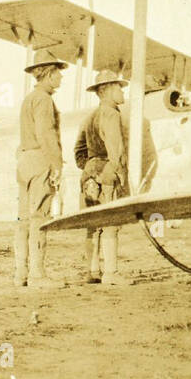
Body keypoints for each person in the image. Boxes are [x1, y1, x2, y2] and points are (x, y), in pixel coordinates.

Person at [15, 50, 66, 288]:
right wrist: (56, 164)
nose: (60, 78)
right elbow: (46, 134)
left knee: (23, 219)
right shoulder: (44, 100)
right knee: (40, 218)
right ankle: (37, 275)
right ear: (47, 74)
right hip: (40, 159)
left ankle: (21, 273)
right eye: (57, 73)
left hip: (25, 160)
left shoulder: (30, 98)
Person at [75, 69, 130, 286]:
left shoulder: (90, 117)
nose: (122, 90)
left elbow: (78, 149)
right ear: (106, 90)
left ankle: (93, 270)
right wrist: (114, 171)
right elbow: (115, 149)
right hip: (107, 171)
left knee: (92, 223)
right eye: (118, 87)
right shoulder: (111, 113)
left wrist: (89, 167)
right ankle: (111, 273)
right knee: (111, 222)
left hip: (90, 172)